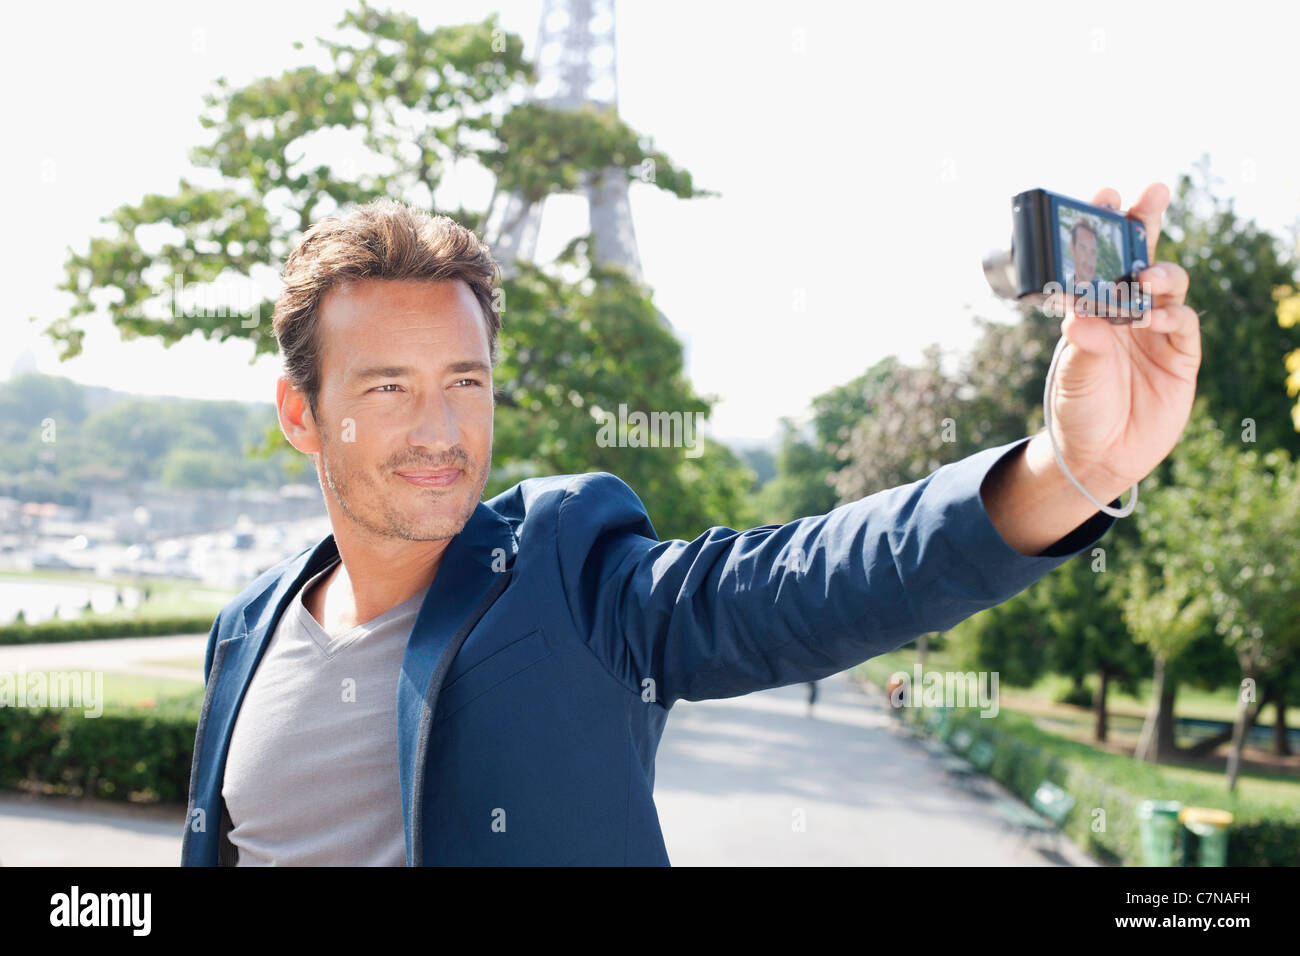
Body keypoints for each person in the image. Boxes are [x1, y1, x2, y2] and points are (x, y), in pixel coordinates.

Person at [182, 183, 1200, 866]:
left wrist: (1070, 470)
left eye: (466, 381)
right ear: (300, 412)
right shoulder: (247, 629)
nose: (441, 428)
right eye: (390, 386)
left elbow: (806, 581)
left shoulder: (568, 578)